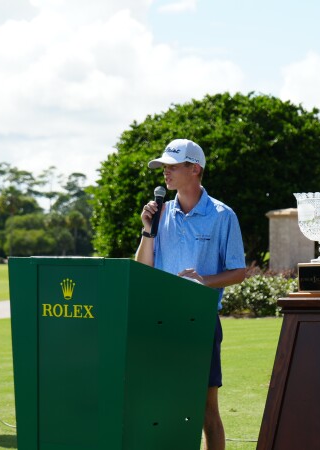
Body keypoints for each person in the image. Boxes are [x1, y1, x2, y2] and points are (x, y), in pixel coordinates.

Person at [135, 138, 246, 450]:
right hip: (161, 323)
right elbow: (143, 268)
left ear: (195, 169)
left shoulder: (223, 215)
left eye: (173, 166)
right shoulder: (159, 213)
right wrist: (147, 228)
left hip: (201, 322)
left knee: (206, 410)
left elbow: (238, 271)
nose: (166, 172)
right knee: (162, 406)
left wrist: (203, 281)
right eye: (164, 167)